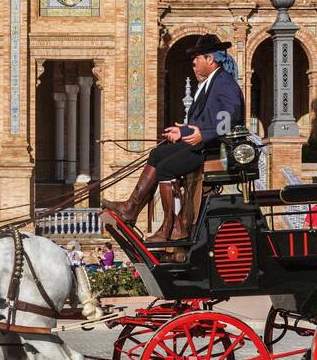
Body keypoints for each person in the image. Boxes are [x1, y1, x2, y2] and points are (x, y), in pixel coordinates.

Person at [103, 33, 245, 235]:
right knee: (157, 154)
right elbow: (207, 122)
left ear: (210, 59)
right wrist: (183, 130)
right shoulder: (212, 82)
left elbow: (230, 117)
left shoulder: (224, 82)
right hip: (203, 144)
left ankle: (172, 227)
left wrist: (203, 135)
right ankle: (132, 207)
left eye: (197, 57)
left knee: (166, 168)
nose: (193, 63)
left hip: (213, 149)